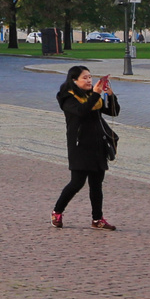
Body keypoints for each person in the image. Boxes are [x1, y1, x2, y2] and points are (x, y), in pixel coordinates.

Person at [53, 66, 121, 229]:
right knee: (77, 183)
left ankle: (97, 219)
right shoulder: (67, 98)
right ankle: (57, 212)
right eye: (85, 78)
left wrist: (110, 95)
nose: (89, 80)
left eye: (90, 77)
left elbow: (114, 112)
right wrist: (97, 93)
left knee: (97, 184)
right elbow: (82, 111)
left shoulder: (92, 96)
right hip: (80, 146)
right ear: (74, 80)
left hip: (98, 144)